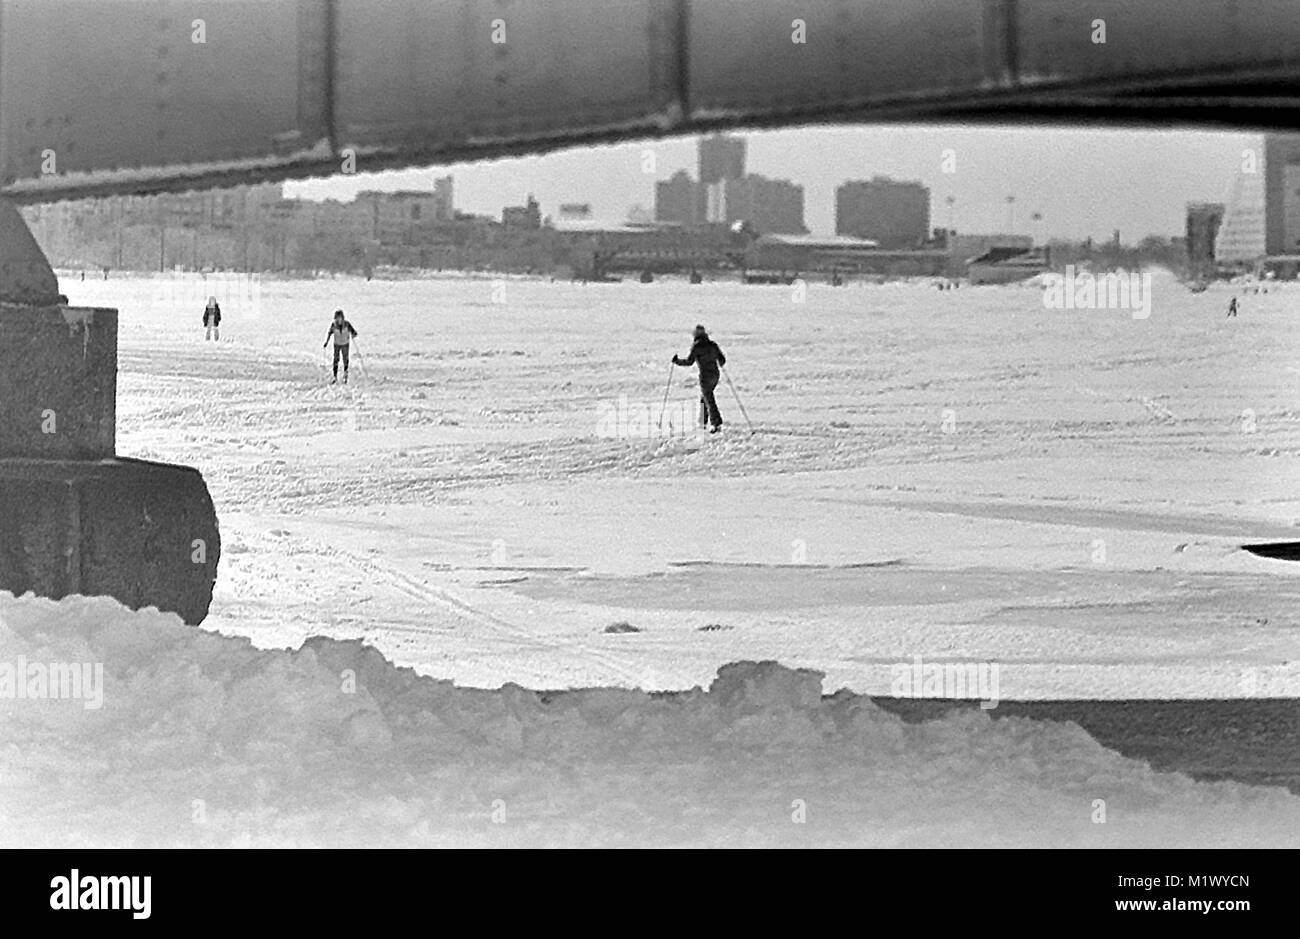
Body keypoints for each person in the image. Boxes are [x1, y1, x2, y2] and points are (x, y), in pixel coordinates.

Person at [673, 324, 726, 433]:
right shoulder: (713, 345)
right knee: (705, 397)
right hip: (715, 375)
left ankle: (716, 423)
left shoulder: (697, 346)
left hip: (705, 376)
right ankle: (702, 423)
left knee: (709, 399)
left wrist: (677, 361)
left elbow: (689, 362)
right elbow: (722, 360)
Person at [323, 309, 358, 384]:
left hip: (345, 344)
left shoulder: (347, 324)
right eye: (336, 318)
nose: (338, 319)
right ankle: (335, 376)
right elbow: (329, 333)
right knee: (336, 359)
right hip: (337, 344)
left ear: (342, 317)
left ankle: (345, 374)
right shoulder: (334, 325)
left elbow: (354, 332)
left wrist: (353, 334)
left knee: (345, 359)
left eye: (339, 317)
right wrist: (326, 342)